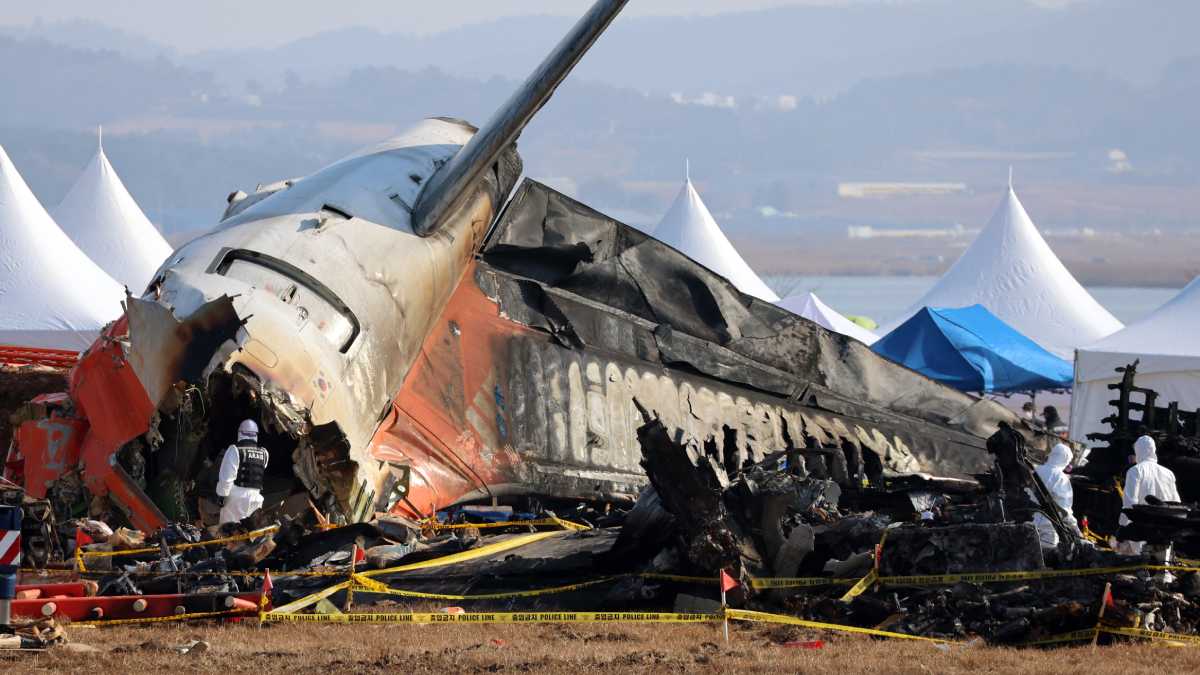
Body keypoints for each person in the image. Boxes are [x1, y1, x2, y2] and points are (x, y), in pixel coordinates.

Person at [1119, 435, 1180, 555]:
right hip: (1164, 531)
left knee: (1140, 566)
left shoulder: (1135, 471)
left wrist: (1123, 526)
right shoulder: (1169, 473)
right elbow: (1177, 503)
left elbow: (1129, 503)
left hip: (1142, 530)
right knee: (1163, 568)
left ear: (1138, 451)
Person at [216, 419, 269, 525]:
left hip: (236, 499)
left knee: (227, 532)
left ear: (240, 434)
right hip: (255, 501)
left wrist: (221, 497)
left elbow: (226, 478)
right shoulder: (264, 453)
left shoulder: (235, 450)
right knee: (246, 534)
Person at [1031, 442, 1080, 549]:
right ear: (1065, 460)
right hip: (1046, 530)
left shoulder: (1035, 470)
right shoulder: (1061, 478)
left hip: (1026, 523)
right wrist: (1076, 528)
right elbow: (1064, 510)